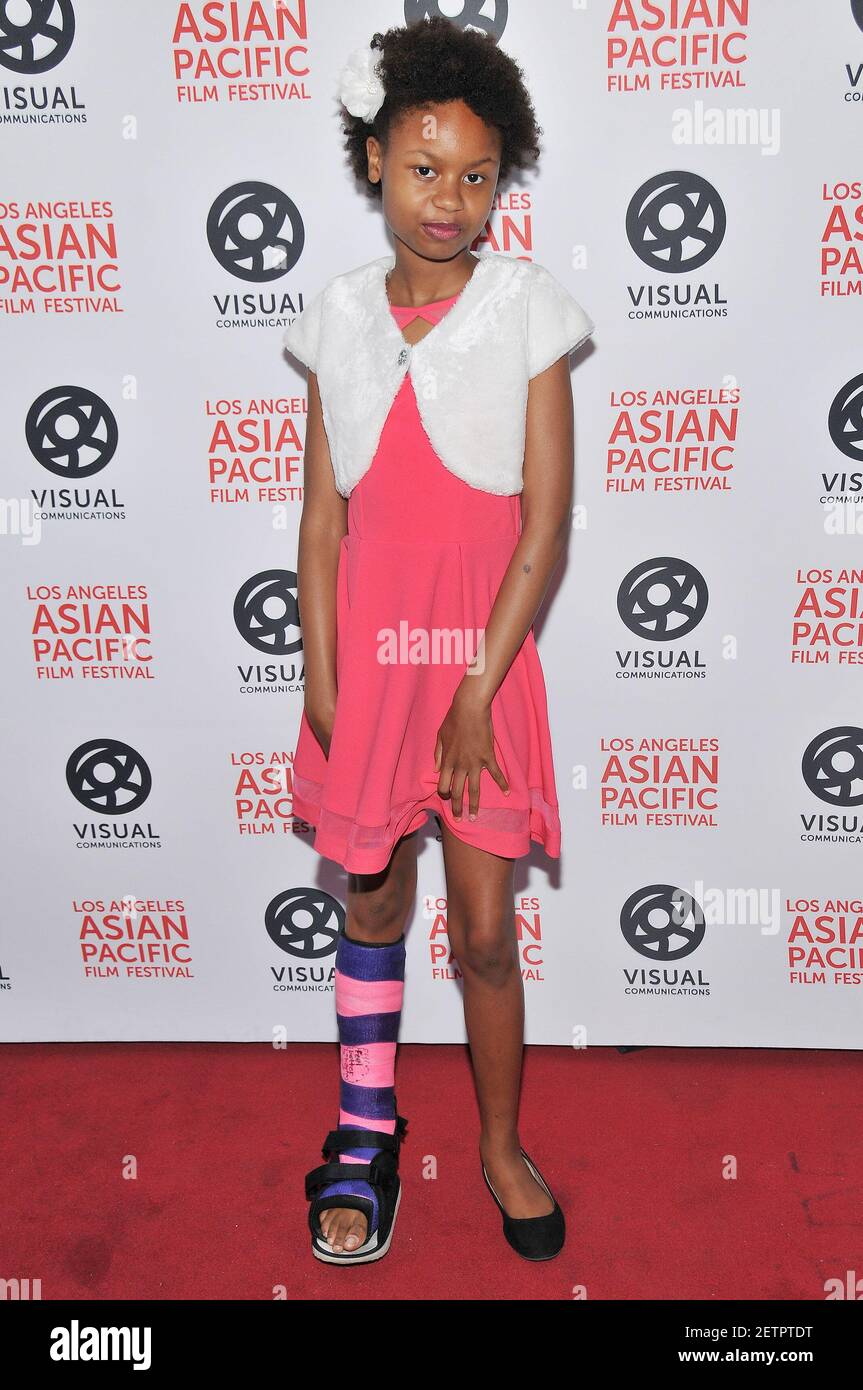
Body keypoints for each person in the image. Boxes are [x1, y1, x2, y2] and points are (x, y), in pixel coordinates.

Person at [283, 15, 594, 1265]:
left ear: (500, 177)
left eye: (476, 174)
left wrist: (476, 689)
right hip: (370, 668)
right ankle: (363, 1129)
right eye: (423, 168)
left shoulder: (524, 307)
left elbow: (545, 524)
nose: (449, 199)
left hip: (480, 673)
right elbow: (319, 519)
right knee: (369, 901)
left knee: (478, 931)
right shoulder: (340, 314)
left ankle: (499, 1142)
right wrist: (319, 667)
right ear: (372, 163)